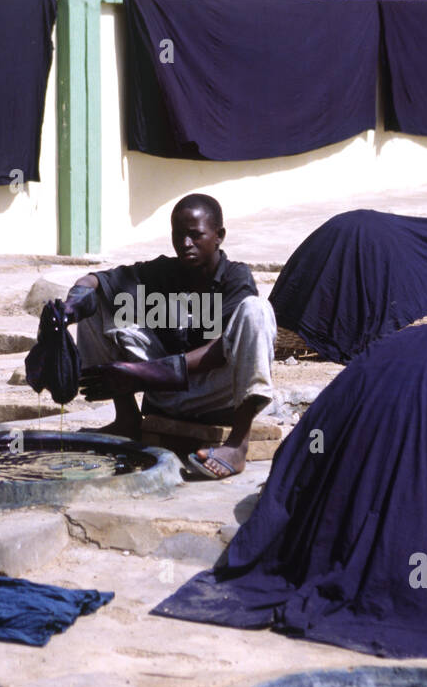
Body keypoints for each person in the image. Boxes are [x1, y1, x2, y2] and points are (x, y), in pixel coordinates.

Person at [55, 193, 276, 479]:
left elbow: (219, 351)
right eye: (179, 236)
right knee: (97, 302)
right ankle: (127, 419)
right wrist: (74, 302)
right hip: (167, 394)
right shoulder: (164, 271)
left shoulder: (236, 278)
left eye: (196, 236)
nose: (186, 245)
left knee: (257, 311)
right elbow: (100, 278)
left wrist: (142, 374)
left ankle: (238, 443)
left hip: (218, 397)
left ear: (219, 236)